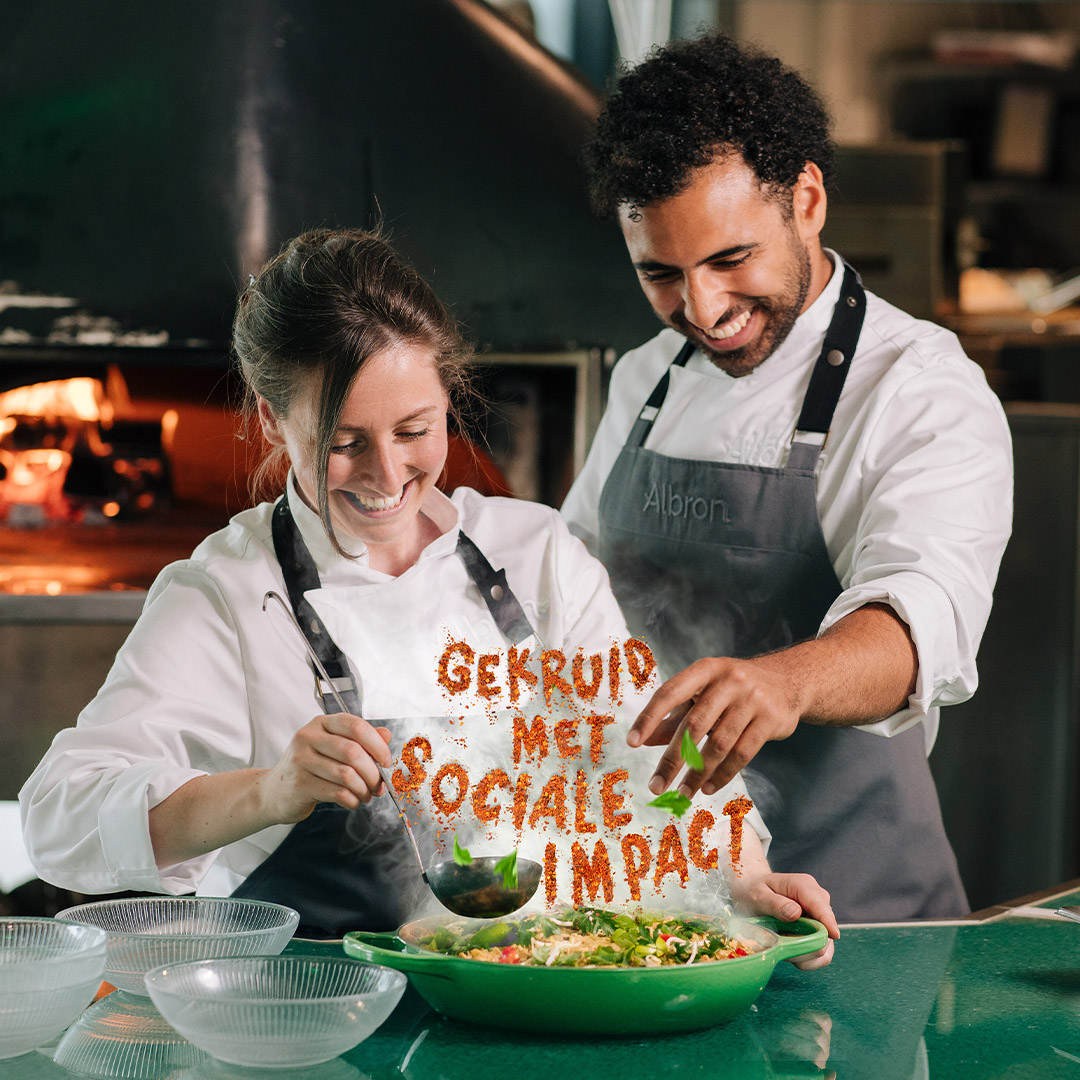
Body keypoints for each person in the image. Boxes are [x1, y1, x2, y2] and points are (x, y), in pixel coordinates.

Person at [20, 228, 838, 954]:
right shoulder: (224, 594)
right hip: (312, 1018)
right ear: (273, 421)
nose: (387, 476)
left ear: (449, 398)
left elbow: (647, 747)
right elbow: (59, 818)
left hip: (526, 983)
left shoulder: (536, 553)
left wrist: (741, 872)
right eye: (343, 443)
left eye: (415, 431)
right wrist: (268, 793)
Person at [561, 34, 1013, 923]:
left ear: (806, 200)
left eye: (731, 260)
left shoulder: (918, 386)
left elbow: (923, 617)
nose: (704, 311)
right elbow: (566, 593)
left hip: (856, 909)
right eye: (661, 273)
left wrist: (787, 683)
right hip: (664, 896)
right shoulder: (645, 377)